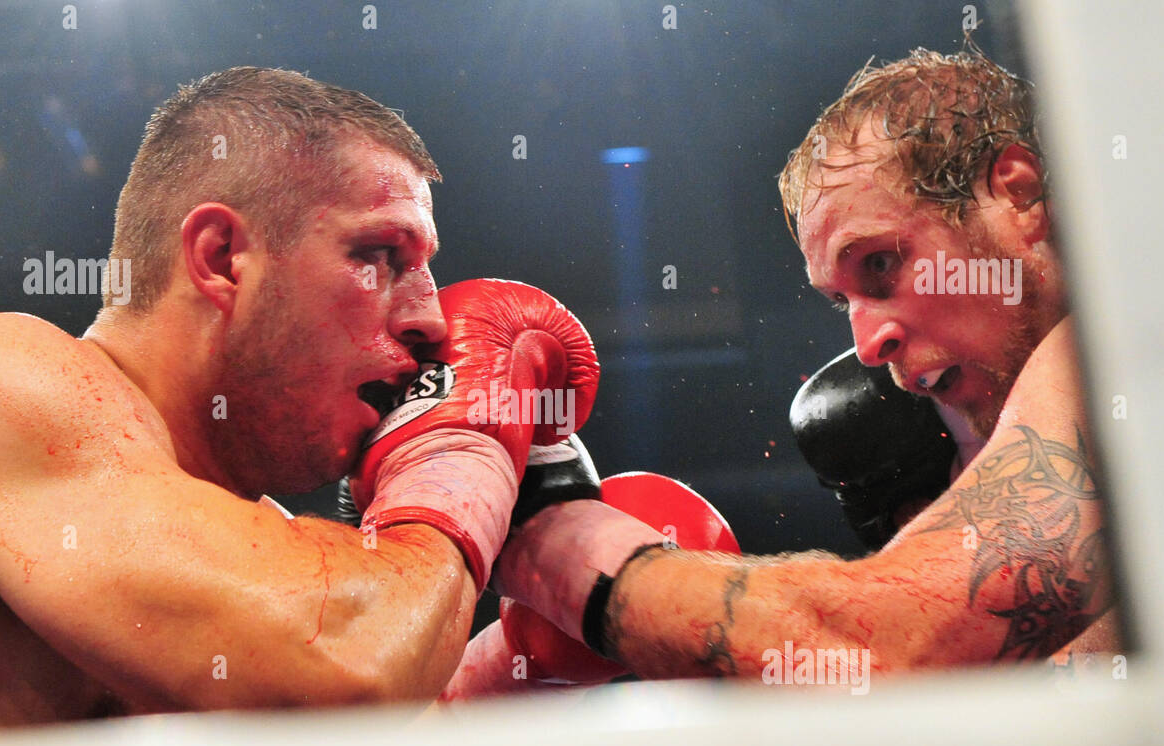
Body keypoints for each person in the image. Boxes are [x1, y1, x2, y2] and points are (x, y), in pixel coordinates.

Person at [0, 66, 596, 735]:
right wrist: (459, 457)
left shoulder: (255, 554)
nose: (431, 318)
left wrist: (531, 653)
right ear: (221, 258)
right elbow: (350, 663)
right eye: (378, 255)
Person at [479, 49, 1120, 684]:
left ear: (1019, 192)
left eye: (880, 264)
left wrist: (560, 542)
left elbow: (882, 650)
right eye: (842, 300)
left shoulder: (1130, 333)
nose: (868, 345)